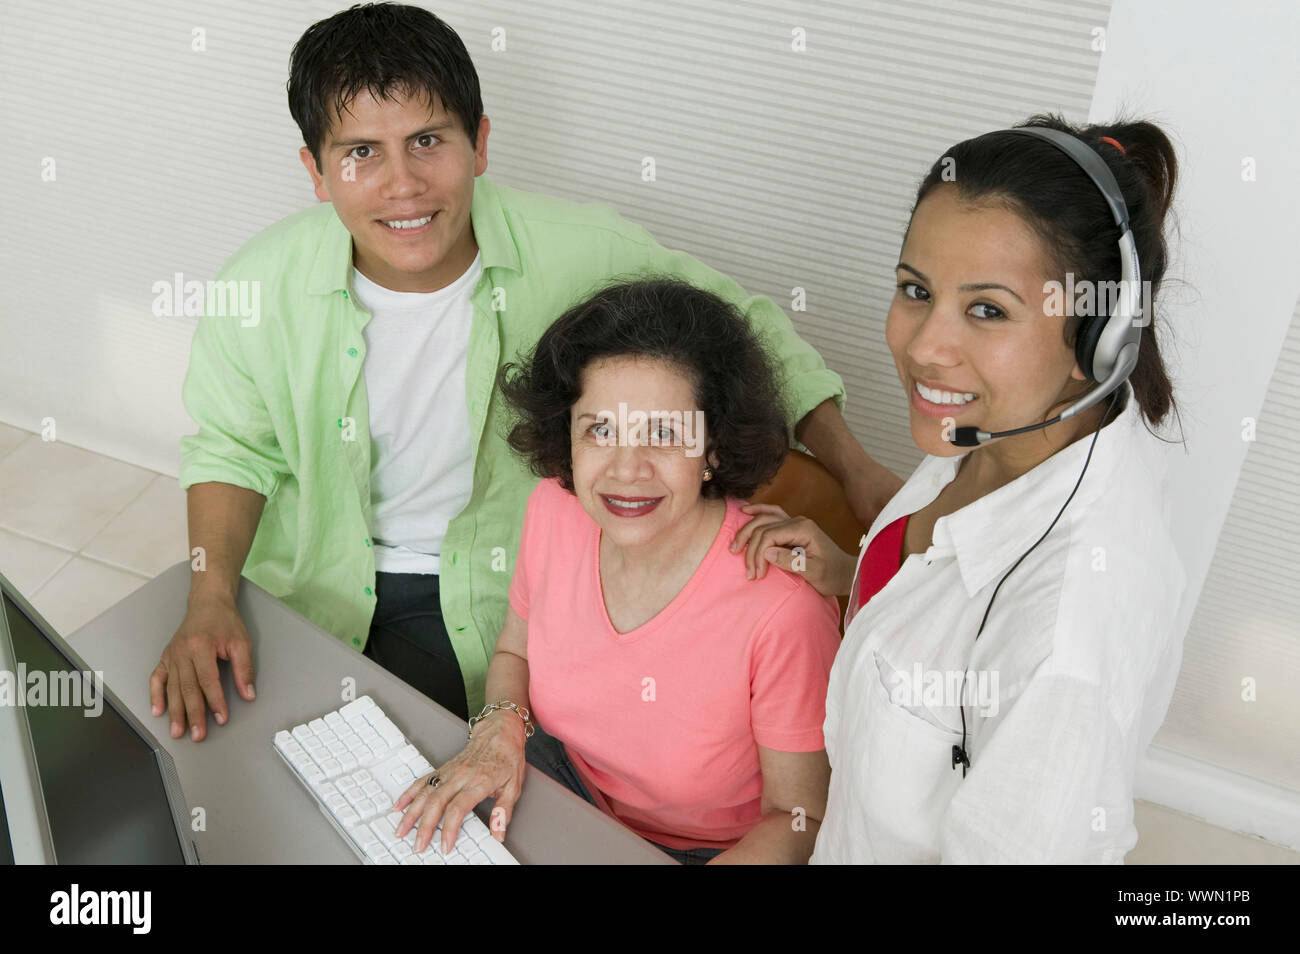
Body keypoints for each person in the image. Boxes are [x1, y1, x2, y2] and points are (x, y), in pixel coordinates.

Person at [150, 3, 899, 739]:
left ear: (479, 143)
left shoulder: (582, 249)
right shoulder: (260, 282)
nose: (403, 184)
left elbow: (747, 328)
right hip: (317, 586)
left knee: (429, 805)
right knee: (238, 758)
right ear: (316, 171)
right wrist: (211, 595)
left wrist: (857, 469)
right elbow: (231, 451)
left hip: (496, 596)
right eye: (360, 154)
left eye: (428, 140)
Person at [734, 115, 1188, 862]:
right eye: (916, 290)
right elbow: (945, 630)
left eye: (987, 311)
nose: (923, 348)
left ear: (1099, 337)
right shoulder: (1000, 427)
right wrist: (857, 578)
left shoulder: (1066, 644)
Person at [390, 279, 841, 864]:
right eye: (601, 430)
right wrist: (499, 728)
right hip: (560, 792)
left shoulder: (783, 604)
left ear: (715, 450)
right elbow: (515, 655)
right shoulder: (554, 508)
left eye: (664, 434)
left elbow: (801, 818)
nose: (626, 471)